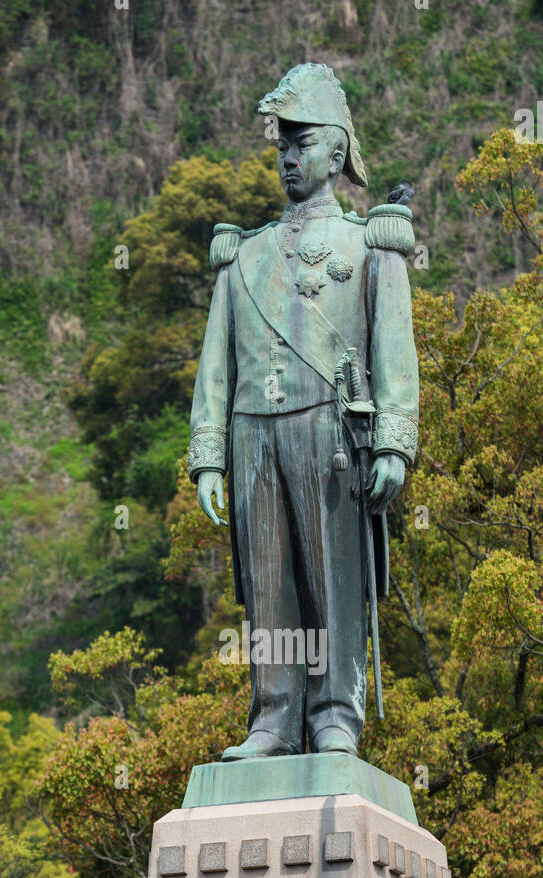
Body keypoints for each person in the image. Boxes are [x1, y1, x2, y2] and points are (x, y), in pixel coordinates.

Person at [187, 63, 419, 760]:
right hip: (251, 432)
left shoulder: (370, 245)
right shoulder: (243, 257)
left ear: (336, 152)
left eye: (302, 141)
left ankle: (334, 717)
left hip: (331, 429)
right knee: (268, 583)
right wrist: (206, 456)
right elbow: (215, 366)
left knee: (331, 579)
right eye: (281, 145)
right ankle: (273, 716)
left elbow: (393, 352)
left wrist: (392, 444)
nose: (288, 156)